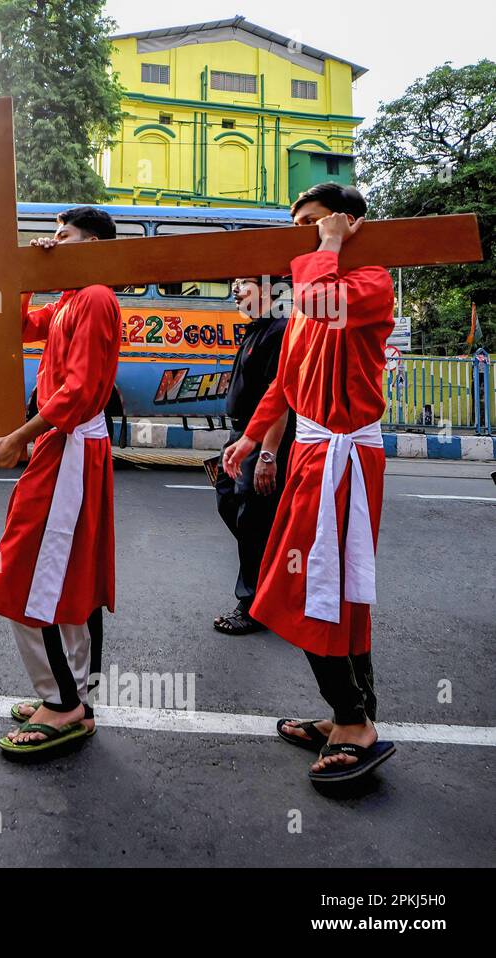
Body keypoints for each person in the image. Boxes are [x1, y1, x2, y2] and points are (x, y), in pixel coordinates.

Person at [223, 183, 398, 785]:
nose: (303, 235)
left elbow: (328, 300)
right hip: (312, 453)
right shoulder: (307, 297)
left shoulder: (369, 281)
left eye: (312, 223)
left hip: (345, 459)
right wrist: (251, 438)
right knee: (335, 591)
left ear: (346, 223)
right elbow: (286, 381)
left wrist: (327, 244)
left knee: (308, 590)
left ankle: (354, 722)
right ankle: (351, 714)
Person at [0, 207, 120, 759]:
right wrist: (24, 280)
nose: (51, 244)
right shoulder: (67, 300)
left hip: (70, 444)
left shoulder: (95, 298)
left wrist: (18, 436)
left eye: (63, 238)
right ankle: (75, 693)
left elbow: (81, 391)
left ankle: (62, 705)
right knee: (68, 572)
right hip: (65, 446)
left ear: (93, 247)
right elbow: (15, 326)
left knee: (27, 573)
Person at [212, 276, 295, 635]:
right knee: (229, 503)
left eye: (244, 283)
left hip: (262, 440)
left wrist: (267, 455)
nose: (235, 289)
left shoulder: (279, 329)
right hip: (243, 435)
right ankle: (272, 584)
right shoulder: (256, 329)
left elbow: (281, 401)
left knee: (253, 519)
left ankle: (254, 606)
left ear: (268, 289)